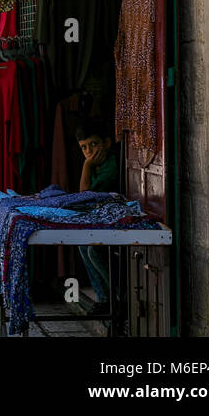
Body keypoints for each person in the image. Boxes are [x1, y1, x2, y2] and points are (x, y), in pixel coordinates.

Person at [76, 126, 120, 307]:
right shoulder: (97, 165)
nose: (89, 152)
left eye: (93, 144)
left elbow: (85, 195)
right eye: (84, 148)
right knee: (82, 244)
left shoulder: (110, 165)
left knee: (94, 250)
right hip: (103, 218)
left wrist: (86, 165)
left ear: (107, 143)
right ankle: (104, 298)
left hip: (117, 221)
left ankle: (119, 297)